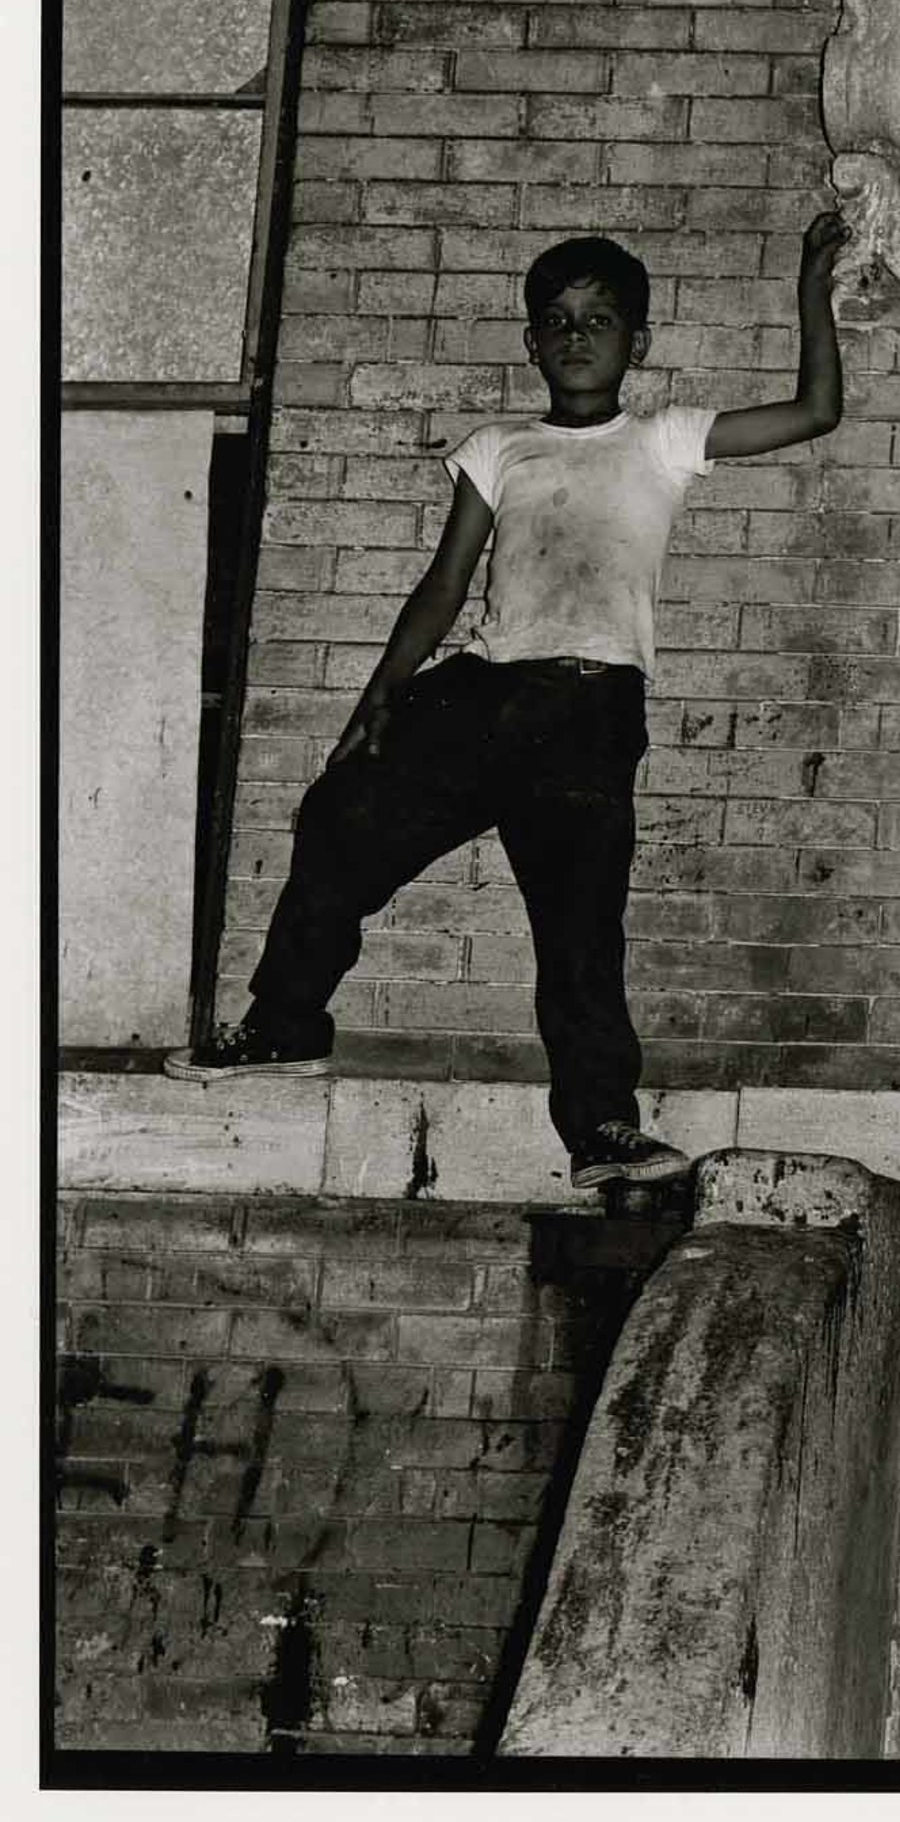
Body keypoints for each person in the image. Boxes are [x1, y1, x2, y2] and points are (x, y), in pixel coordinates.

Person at [167, 212, 853, 1191]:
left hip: (589, 711)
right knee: (337, 816)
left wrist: (811, 285)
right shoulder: (500, 446)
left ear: (636, 343)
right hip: (483, 694)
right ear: (532, 342)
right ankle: (285, 1025)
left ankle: (602, 1127)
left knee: (579, 925)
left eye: (599, 321)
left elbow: (815, 411)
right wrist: (378, 699)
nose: (577, 337)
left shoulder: (662, 439)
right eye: (558, 321)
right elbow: (445, 585)